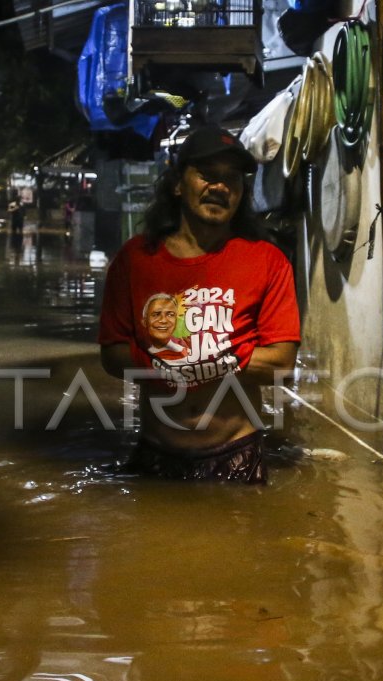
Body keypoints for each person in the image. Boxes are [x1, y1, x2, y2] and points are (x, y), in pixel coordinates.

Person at [98, 124, 301, 484]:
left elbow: (281, 364)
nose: (220, 187)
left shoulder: (268, 261)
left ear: (241, 194)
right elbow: (112, 356)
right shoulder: (135, 260)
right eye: (207, 175)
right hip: (156, 452)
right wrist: (179, 363)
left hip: (237, 452)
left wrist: (199, 359)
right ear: (178, 184)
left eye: (232, 180)